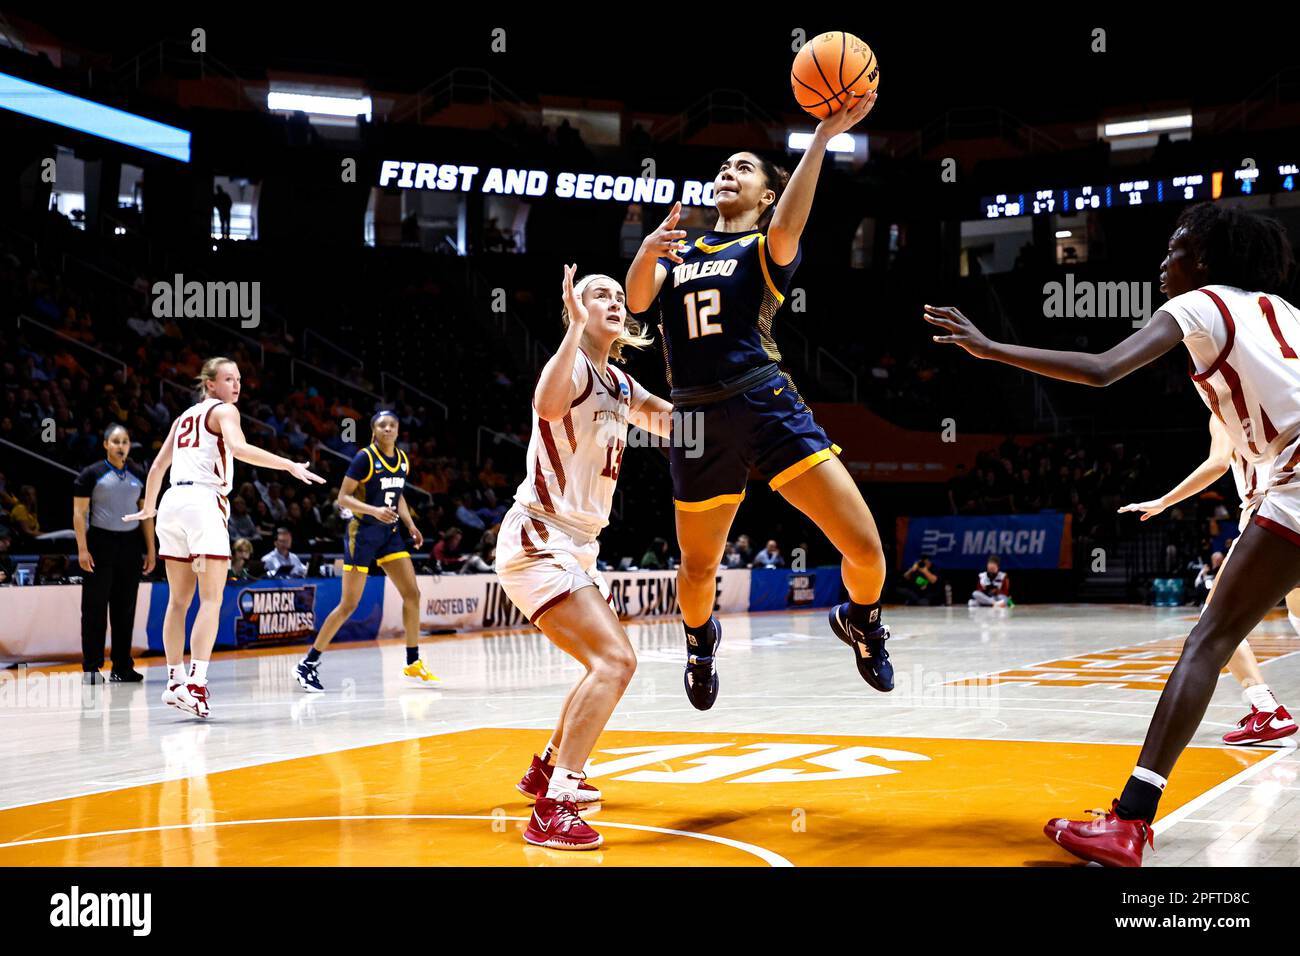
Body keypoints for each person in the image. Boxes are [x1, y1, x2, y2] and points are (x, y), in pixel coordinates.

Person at [925, 202, 1299, 866]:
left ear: (1206, 259)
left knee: (1209, 639)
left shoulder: (1199, 305)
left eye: (1175, 246)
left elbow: (1101, 370)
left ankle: (1128, 821)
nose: (1162, 260)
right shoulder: (1284, 311)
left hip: (1294, 477)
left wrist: (990, 348)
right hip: (1280, 478)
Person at [625, 89, 893, 710]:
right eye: (723, 168)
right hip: (693, 415)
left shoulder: (766, 247)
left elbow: (793, 222)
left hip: (764, 401)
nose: (727, 172)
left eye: (743, 168)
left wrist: (821, 137)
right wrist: (644, 250)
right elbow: (639, 302)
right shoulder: (679, 251)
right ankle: (700, 641)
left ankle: (861, 619)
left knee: (866, 550)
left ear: (767, 196)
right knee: (696, 568)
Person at [496, 266, 672, 850]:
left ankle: (547, 768)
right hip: (540, 536)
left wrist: (744, 410)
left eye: (620, 296)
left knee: (601, 663)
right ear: (577, 306)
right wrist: (572, 328)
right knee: (617, 663)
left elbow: (674, 424)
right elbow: (547, 406)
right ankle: (555, 806)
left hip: (576, 544)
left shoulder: (619, 382)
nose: (616, 301)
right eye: (601, 294)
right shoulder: (570, 365)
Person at [124, 356, 323, 719]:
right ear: (210, 384)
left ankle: (174, 682)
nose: (237, 385)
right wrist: (289, 465)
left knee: (179, 601)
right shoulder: (225, 411)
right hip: (202, 502)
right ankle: (196, 685)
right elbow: (240, 449)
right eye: (229, 379)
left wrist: (149, 508)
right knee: (211, 600)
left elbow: (156, 467)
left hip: (171, 503)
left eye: (239, 379)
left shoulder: (184, 416)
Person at [1119, 413, 1297, 745]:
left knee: (1212, 622)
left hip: (1270, 518)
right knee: (1297, 616)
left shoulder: (1227, 409)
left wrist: (1164, 501)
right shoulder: (1283, 393)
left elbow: (1217, 464)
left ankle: (1265, 709)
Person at [295, 411, 437, 692]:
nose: (387, 429)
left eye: (392, 425)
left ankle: (412, 662)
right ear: (374, 430)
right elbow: (343, 497)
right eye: (382, 425)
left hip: (389, 534)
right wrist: (375, 511)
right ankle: (307, 664)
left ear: (398, 431)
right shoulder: (365, 458)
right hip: (361, 535)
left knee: (412, 594)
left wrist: (411, 525)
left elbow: (399, 495)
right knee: (349, 604)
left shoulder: (403, 460)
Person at [73, 424, 155, 683]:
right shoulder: (91, 474)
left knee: (125, 608)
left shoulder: (138, 473)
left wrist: (151, 549)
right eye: (116, 442)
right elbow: (79, 514)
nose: (122, 446)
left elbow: (146, 515)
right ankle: (92, 668)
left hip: (130, 545)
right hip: (100, 542)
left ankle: (122, 666)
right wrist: (83, 549)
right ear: (106, 444)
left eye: (126, 441)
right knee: (95, 607)